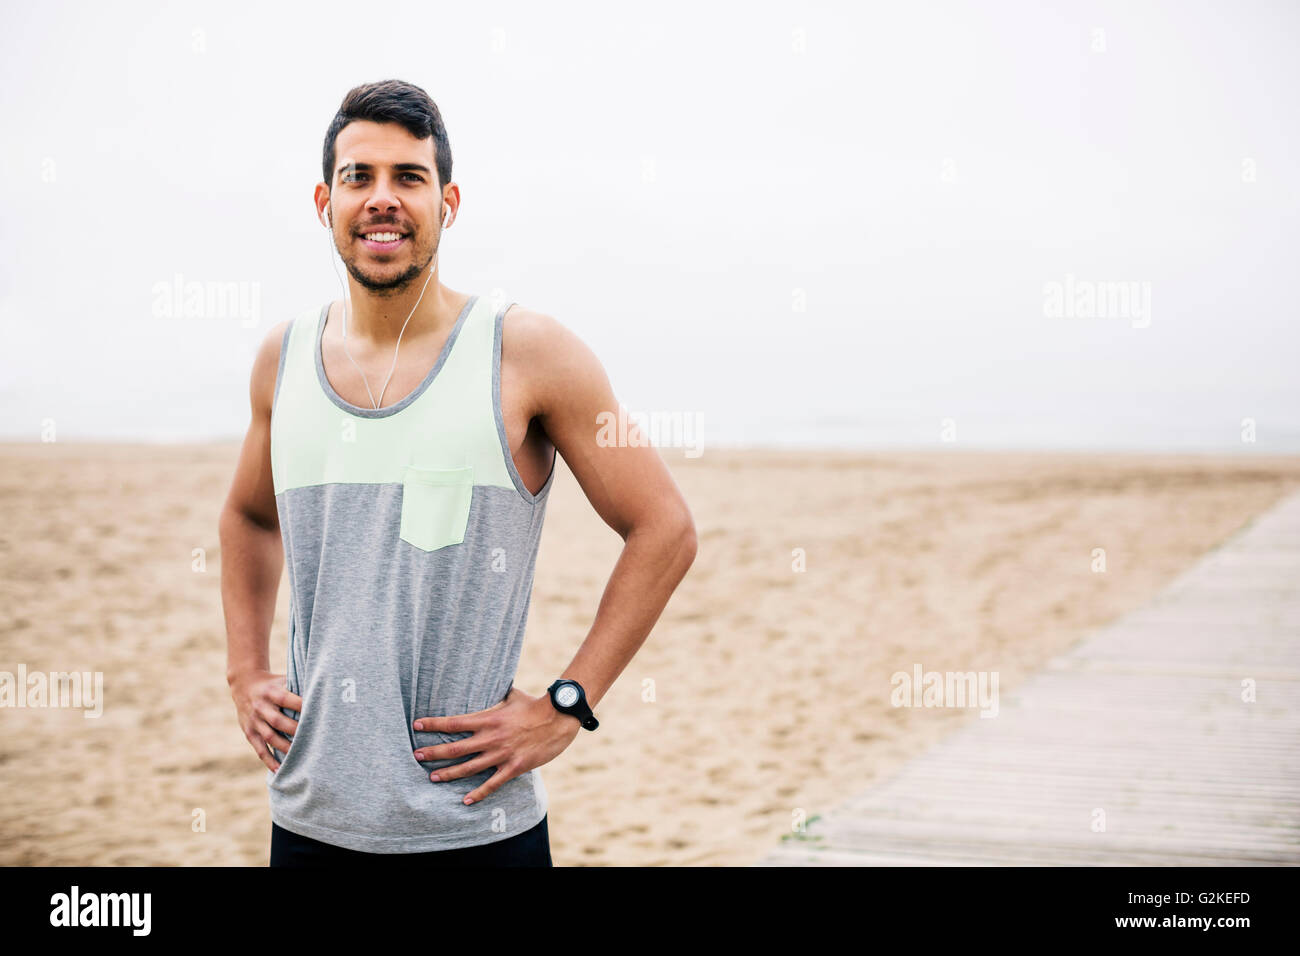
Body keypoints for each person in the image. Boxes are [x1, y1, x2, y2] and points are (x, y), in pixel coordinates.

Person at [218, 79, 697, 866]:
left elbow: (664, 528)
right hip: (307, 821)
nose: (382, 199)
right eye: (358, 177)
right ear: (322, 201)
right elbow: (249, 517)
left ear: (448, 201)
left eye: (408, 177)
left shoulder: (527, 354)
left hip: (475, 829)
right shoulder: (283, 360)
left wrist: (567, 704)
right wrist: (244, 671)